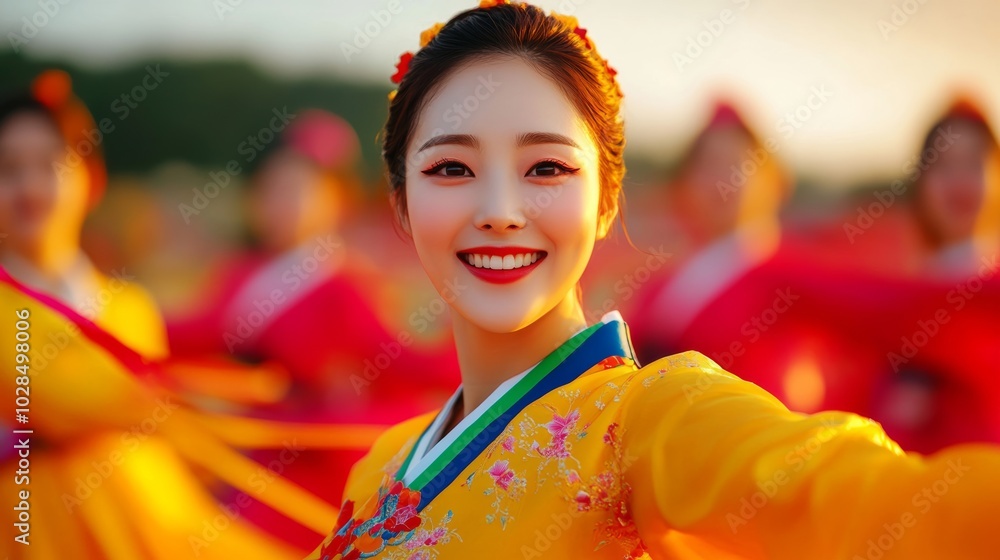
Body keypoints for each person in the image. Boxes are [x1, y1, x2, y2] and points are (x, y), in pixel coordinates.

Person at [306, 2, 1000, 559]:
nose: (499, 213)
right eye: (451, 169)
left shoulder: (649, 421)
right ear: (399, 204)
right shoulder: (382, 467)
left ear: (608, 200)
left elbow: (871, 504)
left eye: (546, 168)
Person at [0, 71, 336, 559]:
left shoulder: (129, 305)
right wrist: (189, 391)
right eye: (8, 169)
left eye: (49, 164)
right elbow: (58, 400)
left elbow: (161, 422)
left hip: (148, 512)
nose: (29, 185)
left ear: (89, 178)